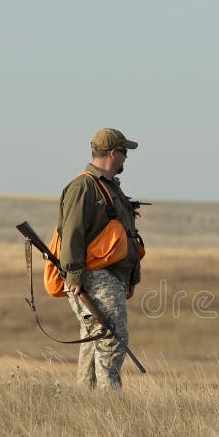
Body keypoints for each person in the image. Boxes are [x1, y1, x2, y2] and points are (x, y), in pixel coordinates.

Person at [57, 128, 142, 390]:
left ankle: (86, 398)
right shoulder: (84, 187)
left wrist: (130, 278)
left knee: (97, 336)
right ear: (113, 153)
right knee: (112, 339)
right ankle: (109, 402)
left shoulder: (108, 187)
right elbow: (72, 233)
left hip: (110, 276)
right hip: (95, 276)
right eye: (124, 152)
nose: (126, 158)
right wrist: (74, 276)